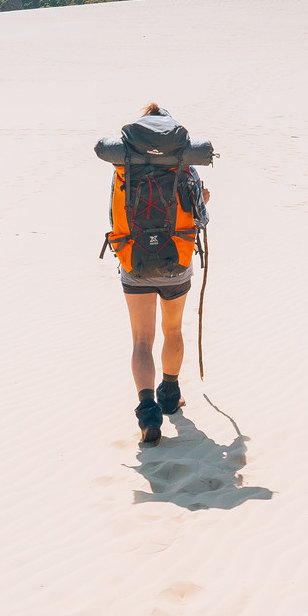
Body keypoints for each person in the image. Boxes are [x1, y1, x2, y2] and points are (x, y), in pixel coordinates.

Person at [96, 102, 214, 444]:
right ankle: (170, 396)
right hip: (176, 260)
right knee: (173, 329)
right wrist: (203, 199)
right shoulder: (185, 168)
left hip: (134, 262)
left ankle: (149, 414)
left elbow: (113, 214)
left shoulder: (124, 169)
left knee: (142, 340)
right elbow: (200, 219)